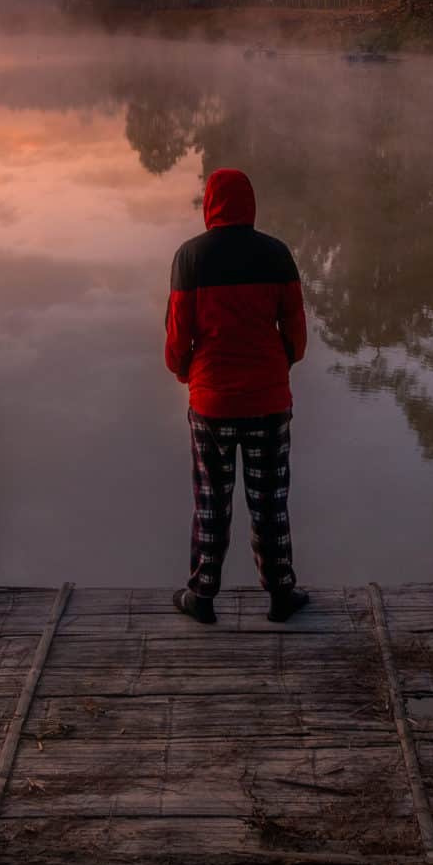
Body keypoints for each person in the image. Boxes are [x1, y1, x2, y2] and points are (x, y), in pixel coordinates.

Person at [163, 167, 309, 624]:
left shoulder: (189, 258)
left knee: (211, 500)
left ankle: (202, 598)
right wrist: (276, 366)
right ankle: (281, 596)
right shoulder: (278, 255)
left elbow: (175, 342)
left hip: (212, 404)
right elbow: (297, 337)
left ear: (210, 205)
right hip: (268, 402)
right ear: (250, 204)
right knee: (269, 501)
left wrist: (192, 375)